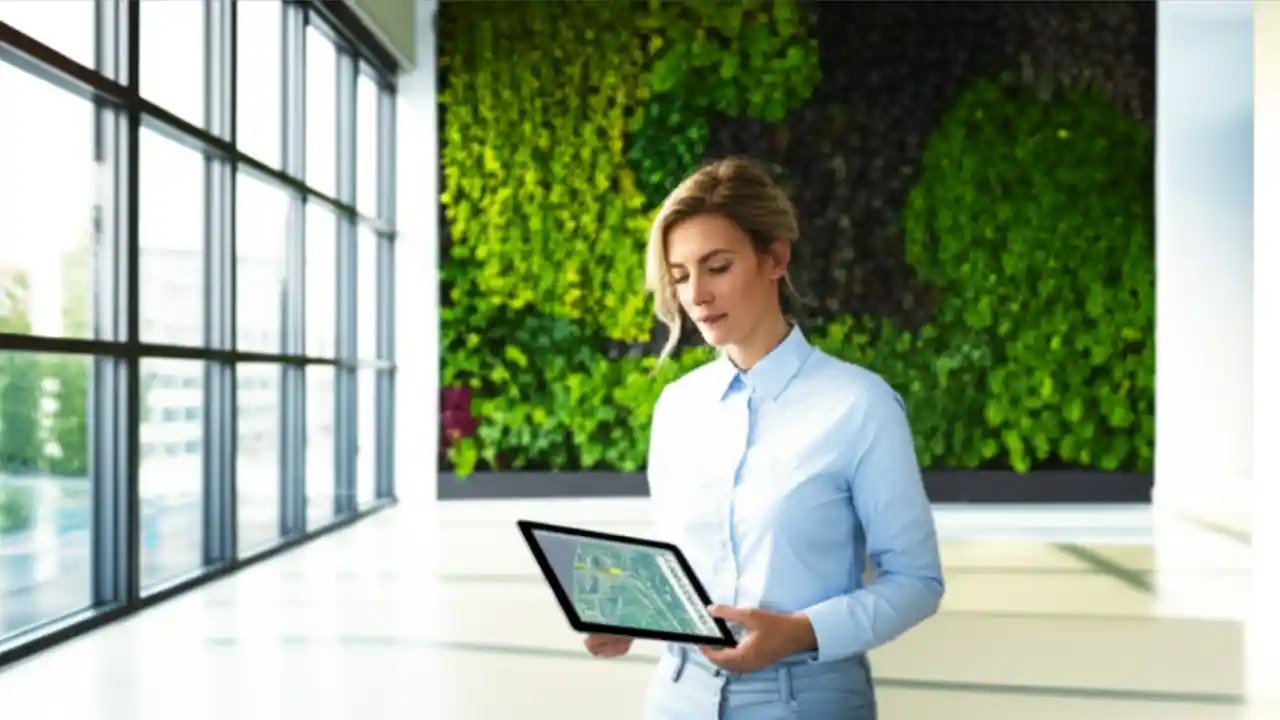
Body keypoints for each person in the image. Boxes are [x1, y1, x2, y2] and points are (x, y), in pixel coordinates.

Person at [583, 156, 945, 719]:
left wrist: (800, 631)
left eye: (717, 266)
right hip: (678, 695)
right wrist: (637, 617)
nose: (696, 295)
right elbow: (683, 568)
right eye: (680, 276)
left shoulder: (859, 405)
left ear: (774, 258)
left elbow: (917, 582)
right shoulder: (677, 407)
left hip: (806, 700)